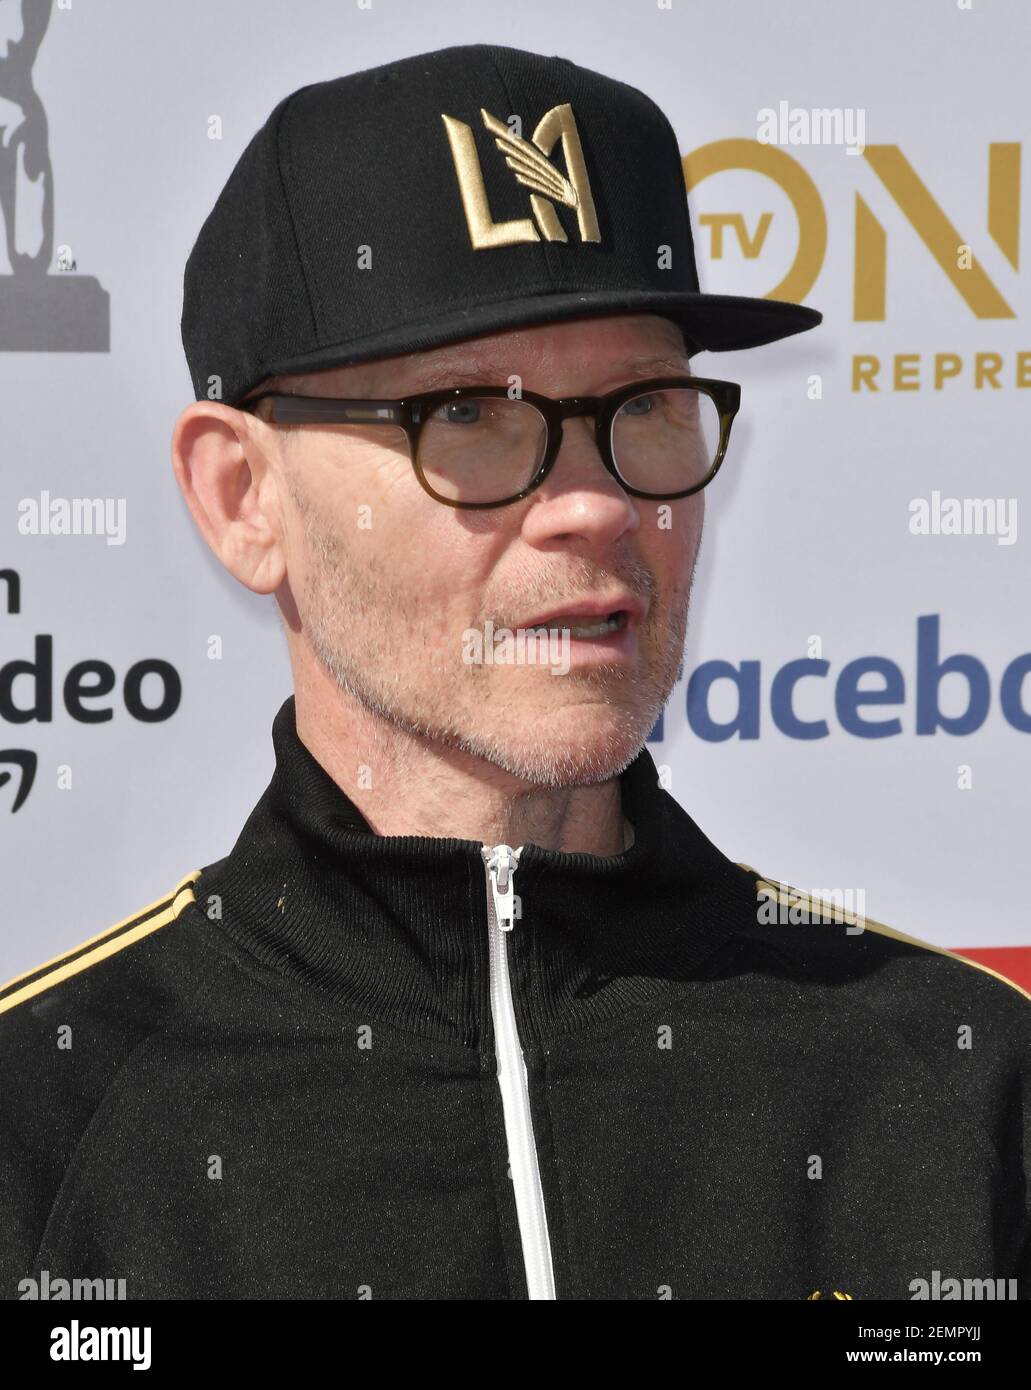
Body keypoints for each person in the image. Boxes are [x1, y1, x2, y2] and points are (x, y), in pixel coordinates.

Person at [2, 42, 1028, 1302]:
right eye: (469, 416)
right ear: (241, 497)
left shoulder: (963, 1079)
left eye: (643, 403)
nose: (591, 505)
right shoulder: (41, 1124)